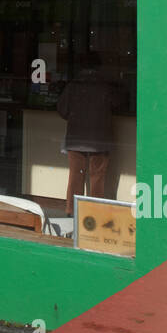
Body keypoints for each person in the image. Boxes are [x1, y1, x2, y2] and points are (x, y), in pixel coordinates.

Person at [57, 51, 113, 216]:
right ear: (99, 66)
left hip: (76, 137)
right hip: (100, 138)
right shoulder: (105, 85)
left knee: (75, 175)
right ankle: (95, 211)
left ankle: (71, 210)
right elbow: (117, 104)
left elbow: (62, 109)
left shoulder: (73, 85)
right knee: (97, 177)